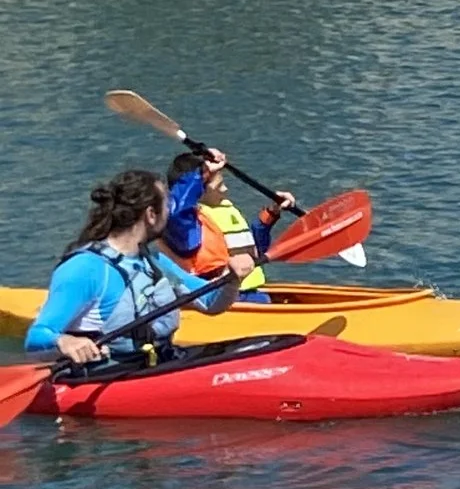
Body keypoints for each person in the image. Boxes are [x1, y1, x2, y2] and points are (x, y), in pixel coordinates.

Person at [27, 167, 235, 365]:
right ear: (150, 214)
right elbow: (37, 336)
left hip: (160, 362)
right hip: (109, 373)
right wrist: (64, 342)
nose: (170, 213)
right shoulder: (86, 268)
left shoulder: (154, 262)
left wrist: (233, 278)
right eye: (166, 206)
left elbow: (211, 303)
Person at [164, 145, 280, 298]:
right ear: (199, 190)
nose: (225, 189)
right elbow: (178, 210)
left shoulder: (226, 208)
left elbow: (254, 252)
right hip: (221, 298)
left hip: (253, 292)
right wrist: (202, 173)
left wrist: (270, 215)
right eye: (218, 185)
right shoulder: (189, 223)